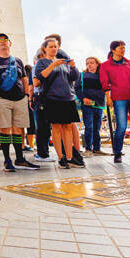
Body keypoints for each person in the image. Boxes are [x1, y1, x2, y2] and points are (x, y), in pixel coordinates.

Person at [0, 33, 39, 172]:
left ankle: (20, 159)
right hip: (3, 99)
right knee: (5, 130)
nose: (3, 42)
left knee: (18, 130)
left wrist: (26, 95)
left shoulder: (17, 61)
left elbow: (23, 78)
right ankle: (7, 160)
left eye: (5, 40)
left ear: (10, 43)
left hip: (19, 99)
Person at [35, 38, 83, 169]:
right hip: (52, 99)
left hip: (68, 98)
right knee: (56, 128)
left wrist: (73, 67)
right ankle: (61, 157)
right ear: (44, 48)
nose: (53, 49)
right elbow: (40, 77)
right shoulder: (42, 62)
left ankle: (69, 157)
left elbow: (75, 77)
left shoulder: (63, 62)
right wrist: (52, 66)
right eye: (50, 46)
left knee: (68, 128)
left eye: (55, 46)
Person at [100, 40, 130, 164]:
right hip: (119, 98)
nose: (123, 50)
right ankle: (117, 153)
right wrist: (108, 98)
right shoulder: (105, 65)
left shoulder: (129, 62)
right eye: (120, 48)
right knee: (121, 127)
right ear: (113, 50)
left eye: (124, 48)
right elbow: (105, 83)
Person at [75, 57, 109, 156]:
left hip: (99, 105)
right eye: (87, 63)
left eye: (92, 63)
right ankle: (88, 149)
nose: (89, 65)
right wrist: (83, 98)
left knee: (97, 128)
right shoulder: (82, 75)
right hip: (87, 105)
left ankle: (97, 149)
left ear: (97, 64)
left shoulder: (102, 76)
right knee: (89, 127)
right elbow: (76, 89)